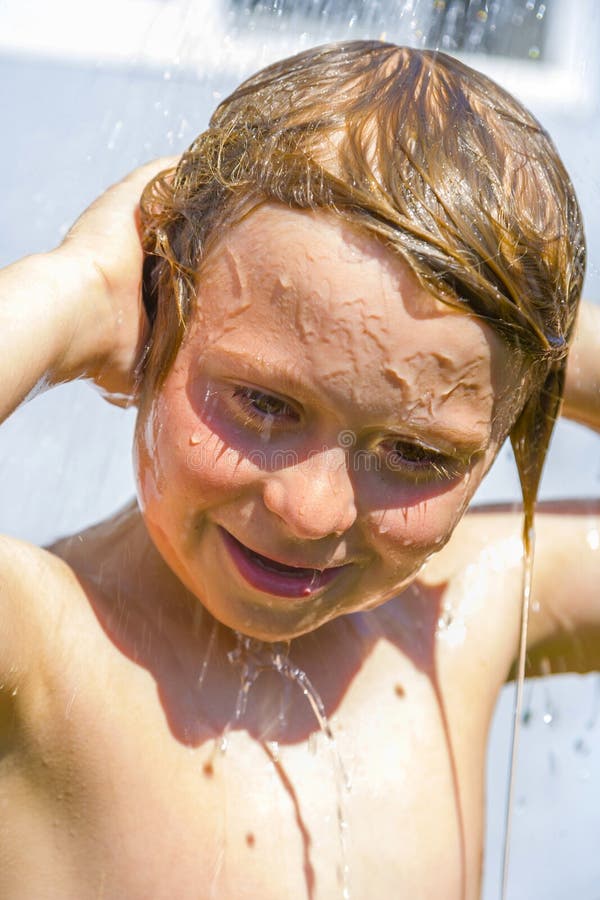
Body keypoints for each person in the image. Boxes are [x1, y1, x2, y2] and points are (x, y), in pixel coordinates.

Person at [0, 40, 598, 900]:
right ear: (153, 314)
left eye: (417, 453)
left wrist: (534, 335)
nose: (315, 512)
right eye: (264, 405)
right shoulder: (44, 649)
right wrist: (74, 290)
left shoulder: (454, 620)